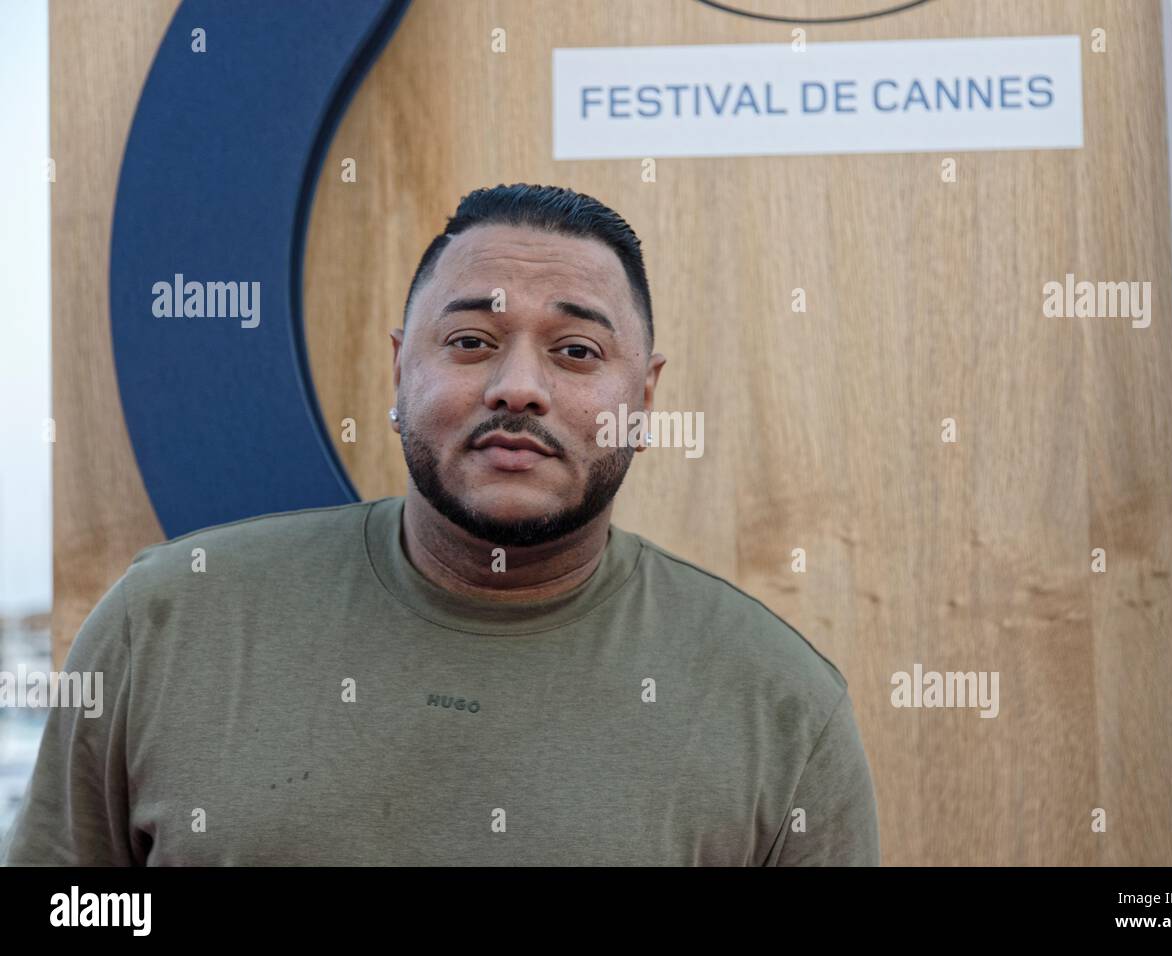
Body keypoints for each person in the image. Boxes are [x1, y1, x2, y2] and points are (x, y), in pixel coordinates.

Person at [2, 183, 879, 866]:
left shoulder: (782, 710)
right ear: (399, 369)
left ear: (643, 399)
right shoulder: (170, 622)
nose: (517, 386)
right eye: (469, 341)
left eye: (576, 352)